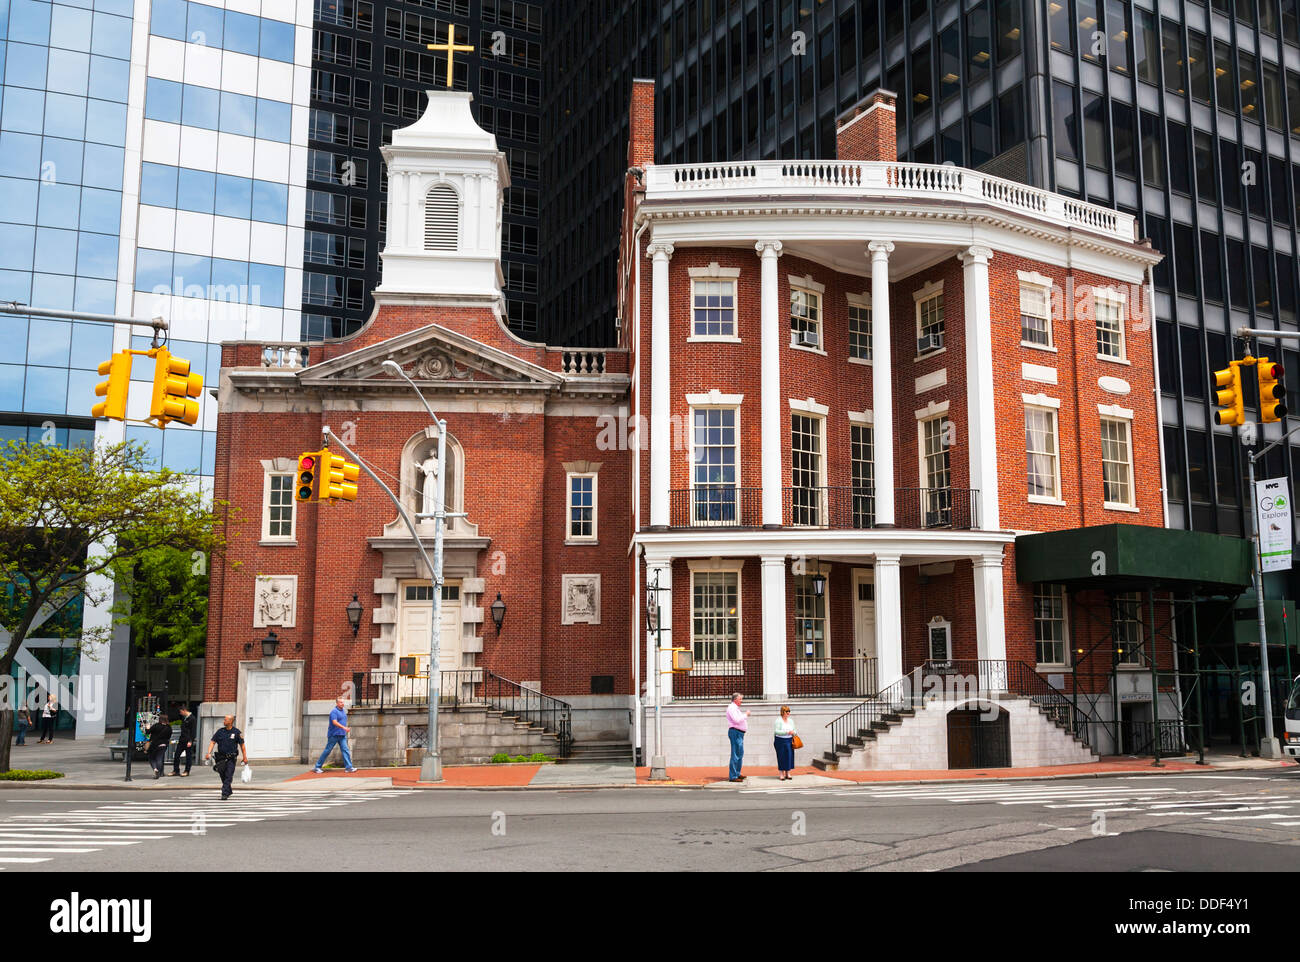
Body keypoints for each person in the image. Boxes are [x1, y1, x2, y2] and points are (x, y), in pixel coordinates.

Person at [204, 715, 247, 800]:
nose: (224, 721)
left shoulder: (237, 732)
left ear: (230, 721)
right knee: (222, 775)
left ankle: (224, 793)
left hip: (231, 758)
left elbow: (242, 745)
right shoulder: (220, 732)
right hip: (221, 758)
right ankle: (228, 790)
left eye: (225, 719)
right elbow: (212, 742)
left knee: (228, 775)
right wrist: (208, 753)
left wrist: (245, 757)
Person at [313, 696, 357, 773]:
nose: (342, 703)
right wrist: (344, 728)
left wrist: (344, 729)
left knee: (345, 750)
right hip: (334, 735)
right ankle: (317, 767)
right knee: (327, 751)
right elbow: (334, 722)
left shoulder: (343, 711)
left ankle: (349, 767)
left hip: (342, 735)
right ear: (337, 703)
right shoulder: (334, 711)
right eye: (340, 702)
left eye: (343, 702)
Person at [725, 692, 749, 782]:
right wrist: (746, 715)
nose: (741, 701)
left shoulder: (735, 708)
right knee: (735, 754)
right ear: (735, 700)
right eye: (740, 699)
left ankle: (737, 773)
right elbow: (737, 720)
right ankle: (733, 776)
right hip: (735, 733)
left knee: (740, 754)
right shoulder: (732, 708)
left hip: (739, 733)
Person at [171, 705, 196, 777]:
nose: (180, 713)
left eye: (181, 712)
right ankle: (176, 770)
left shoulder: (192, 718)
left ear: (184, 710)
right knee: (176, 755)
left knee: (188, 756)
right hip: (182, 739)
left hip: (188, 740)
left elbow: (193, 731)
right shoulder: (184, 718)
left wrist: (191, 741)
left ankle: (187, 771)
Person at [774, 705, 798, 781]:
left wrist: (793, 732)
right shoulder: (778, 720)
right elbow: (776, 731)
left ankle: (788, 773)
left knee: (789, 756)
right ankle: (781, 773)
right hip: (780, 741)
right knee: (781, 757)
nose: (788, 713)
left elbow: (795, 730)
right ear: (782, 712)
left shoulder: (791, 720)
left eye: (789, 711)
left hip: (789, 740)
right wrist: (787, 732)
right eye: (787, 711)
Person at [146, 712, 173, 780]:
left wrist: (147, 728)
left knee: (151, 758)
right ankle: (160, 772)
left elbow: (148, 732)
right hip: (164, 744)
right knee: (159, 758)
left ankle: (155, 769)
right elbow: (169, 736)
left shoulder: (156, 725)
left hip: (155, 744)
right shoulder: (169, 727)